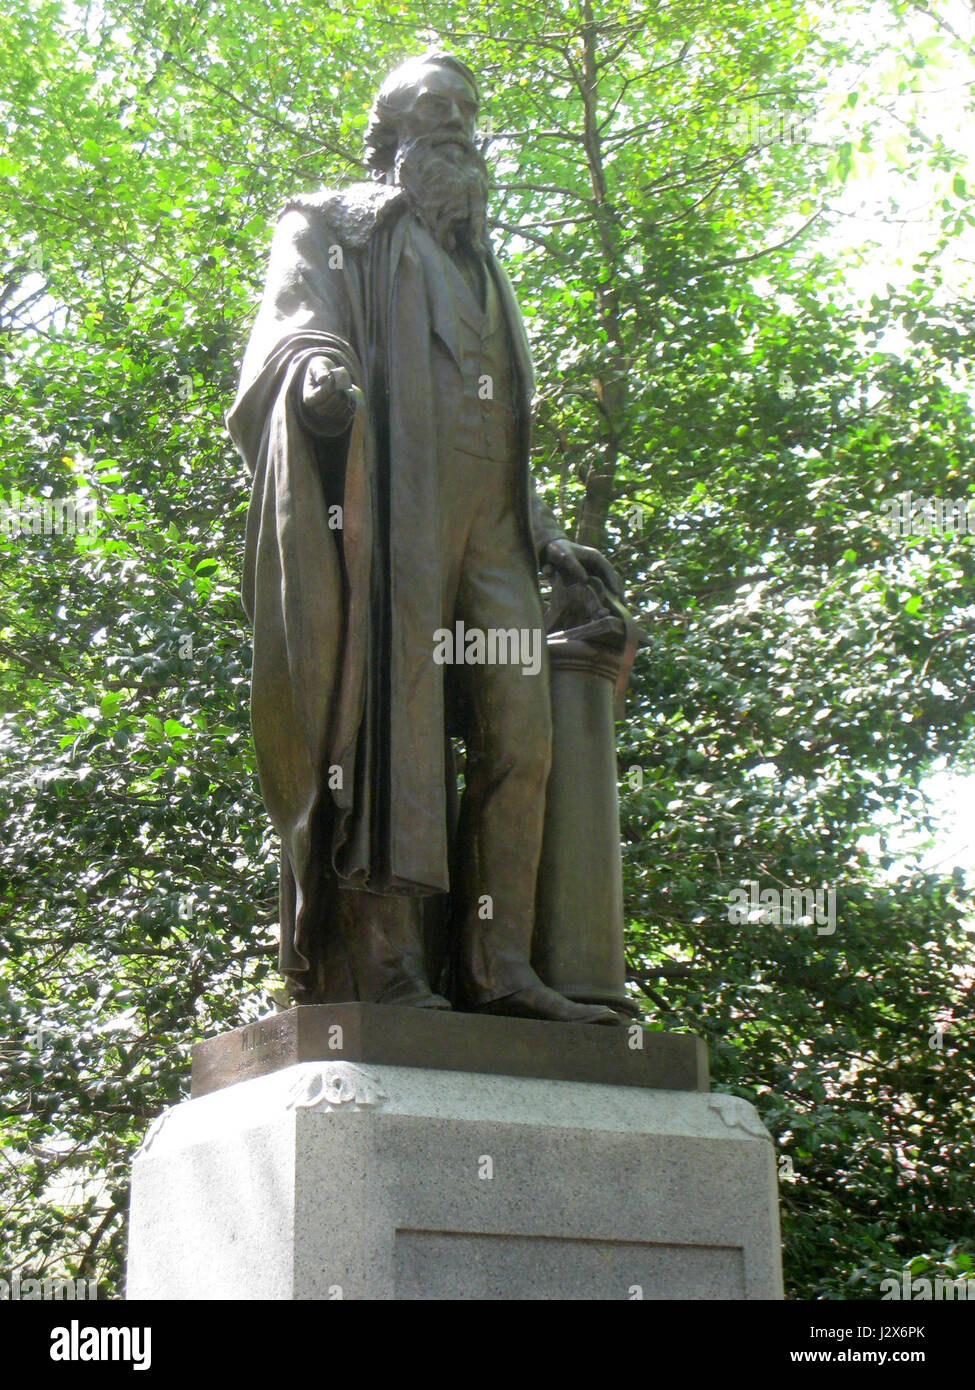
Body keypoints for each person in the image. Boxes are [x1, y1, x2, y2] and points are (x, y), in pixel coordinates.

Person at [227, 51, 622, 1023]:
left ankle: (500, 965)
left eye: (468, 114)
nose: (457, 127)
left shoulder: (484, 262)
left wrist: (544, 533)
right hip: (390, 515)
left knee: (520, 737)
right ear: (389, 136)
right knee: (388, 737)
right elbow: (289, 327)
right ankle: (389, 968)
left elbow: (501, 416)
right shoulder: (330, 224)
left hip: (493, 532)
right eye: (434, 113)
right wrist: (318, 372)